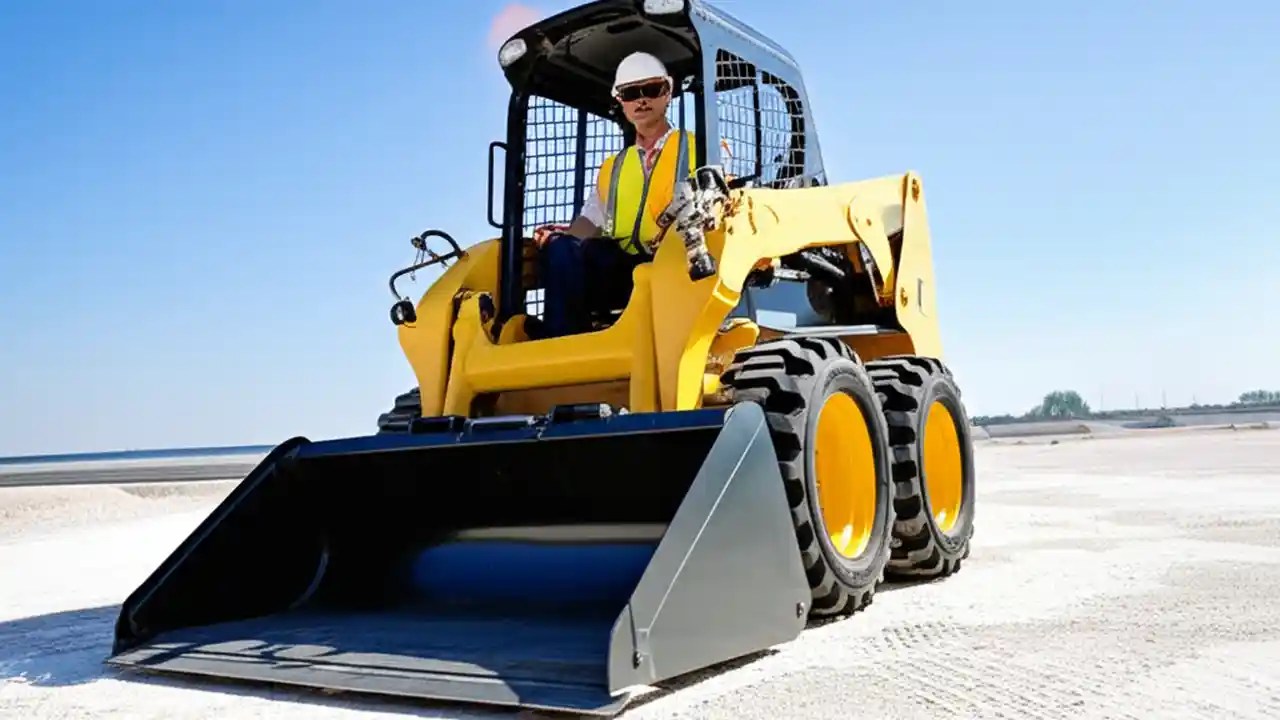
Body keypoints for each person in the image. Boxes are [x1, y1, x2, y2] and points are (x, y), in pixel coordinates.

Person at [533, 51, 696, 338]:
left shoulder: (698, 147)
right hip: (623, 268)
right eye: (632, 93)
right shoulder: (613, 167)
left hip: (675, 265)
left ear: (668, 92)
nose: (642, 100)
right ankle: (561, 344)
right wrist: (564, 236)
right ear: (620, 100)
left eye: (652, 90)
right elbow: (592, 218)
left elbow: (718, 202)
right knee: (563, 250)